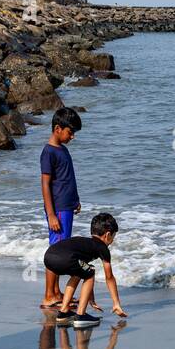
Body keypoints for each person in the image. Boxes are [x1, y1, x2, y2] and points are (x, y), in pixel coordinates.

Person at [45, 213, 128, 329]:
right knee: (90, 272)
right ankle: (81, 315)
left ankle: (64, 312)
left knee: (80, 272)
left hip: (49, 257)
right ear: (108, 235)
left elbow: (84, 270)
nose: (112, 241)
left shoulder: (85, 243)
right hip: (66, 259)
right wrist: (116, 303)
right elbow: (109, 277)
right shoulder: (102, 247)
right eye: (113, 237)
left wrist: (91, 298)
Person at [40, 107, 83, 309]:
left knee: (62, 248)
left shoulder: (63, 150)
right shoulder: (49, 152)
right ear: (58, 128)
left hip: (66, 207)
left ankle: (56, 292)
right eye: (70, 132)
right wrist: (51, 215)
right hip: (57, 210)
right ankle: (49, 295)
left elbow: (67, 179)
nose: (72, 137)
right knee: (56, 252)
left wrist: (75, 200)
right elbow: (45, 184)